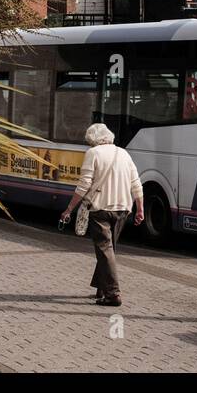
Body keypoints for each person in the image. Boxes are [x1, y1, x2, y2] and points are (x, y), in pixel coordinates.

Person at [59, 123, 143, 307]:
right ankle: (102, 288)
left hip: (100, 209)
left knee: (105, 250)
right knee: (109, 249)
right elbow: (136, 183)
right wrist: (140, 209)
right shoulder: (123, 153)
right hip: (123, 210)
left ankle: (113, 294)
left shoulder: (93, 153)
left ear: (93, 140)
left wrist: (69, 209)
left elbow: (84, 185)